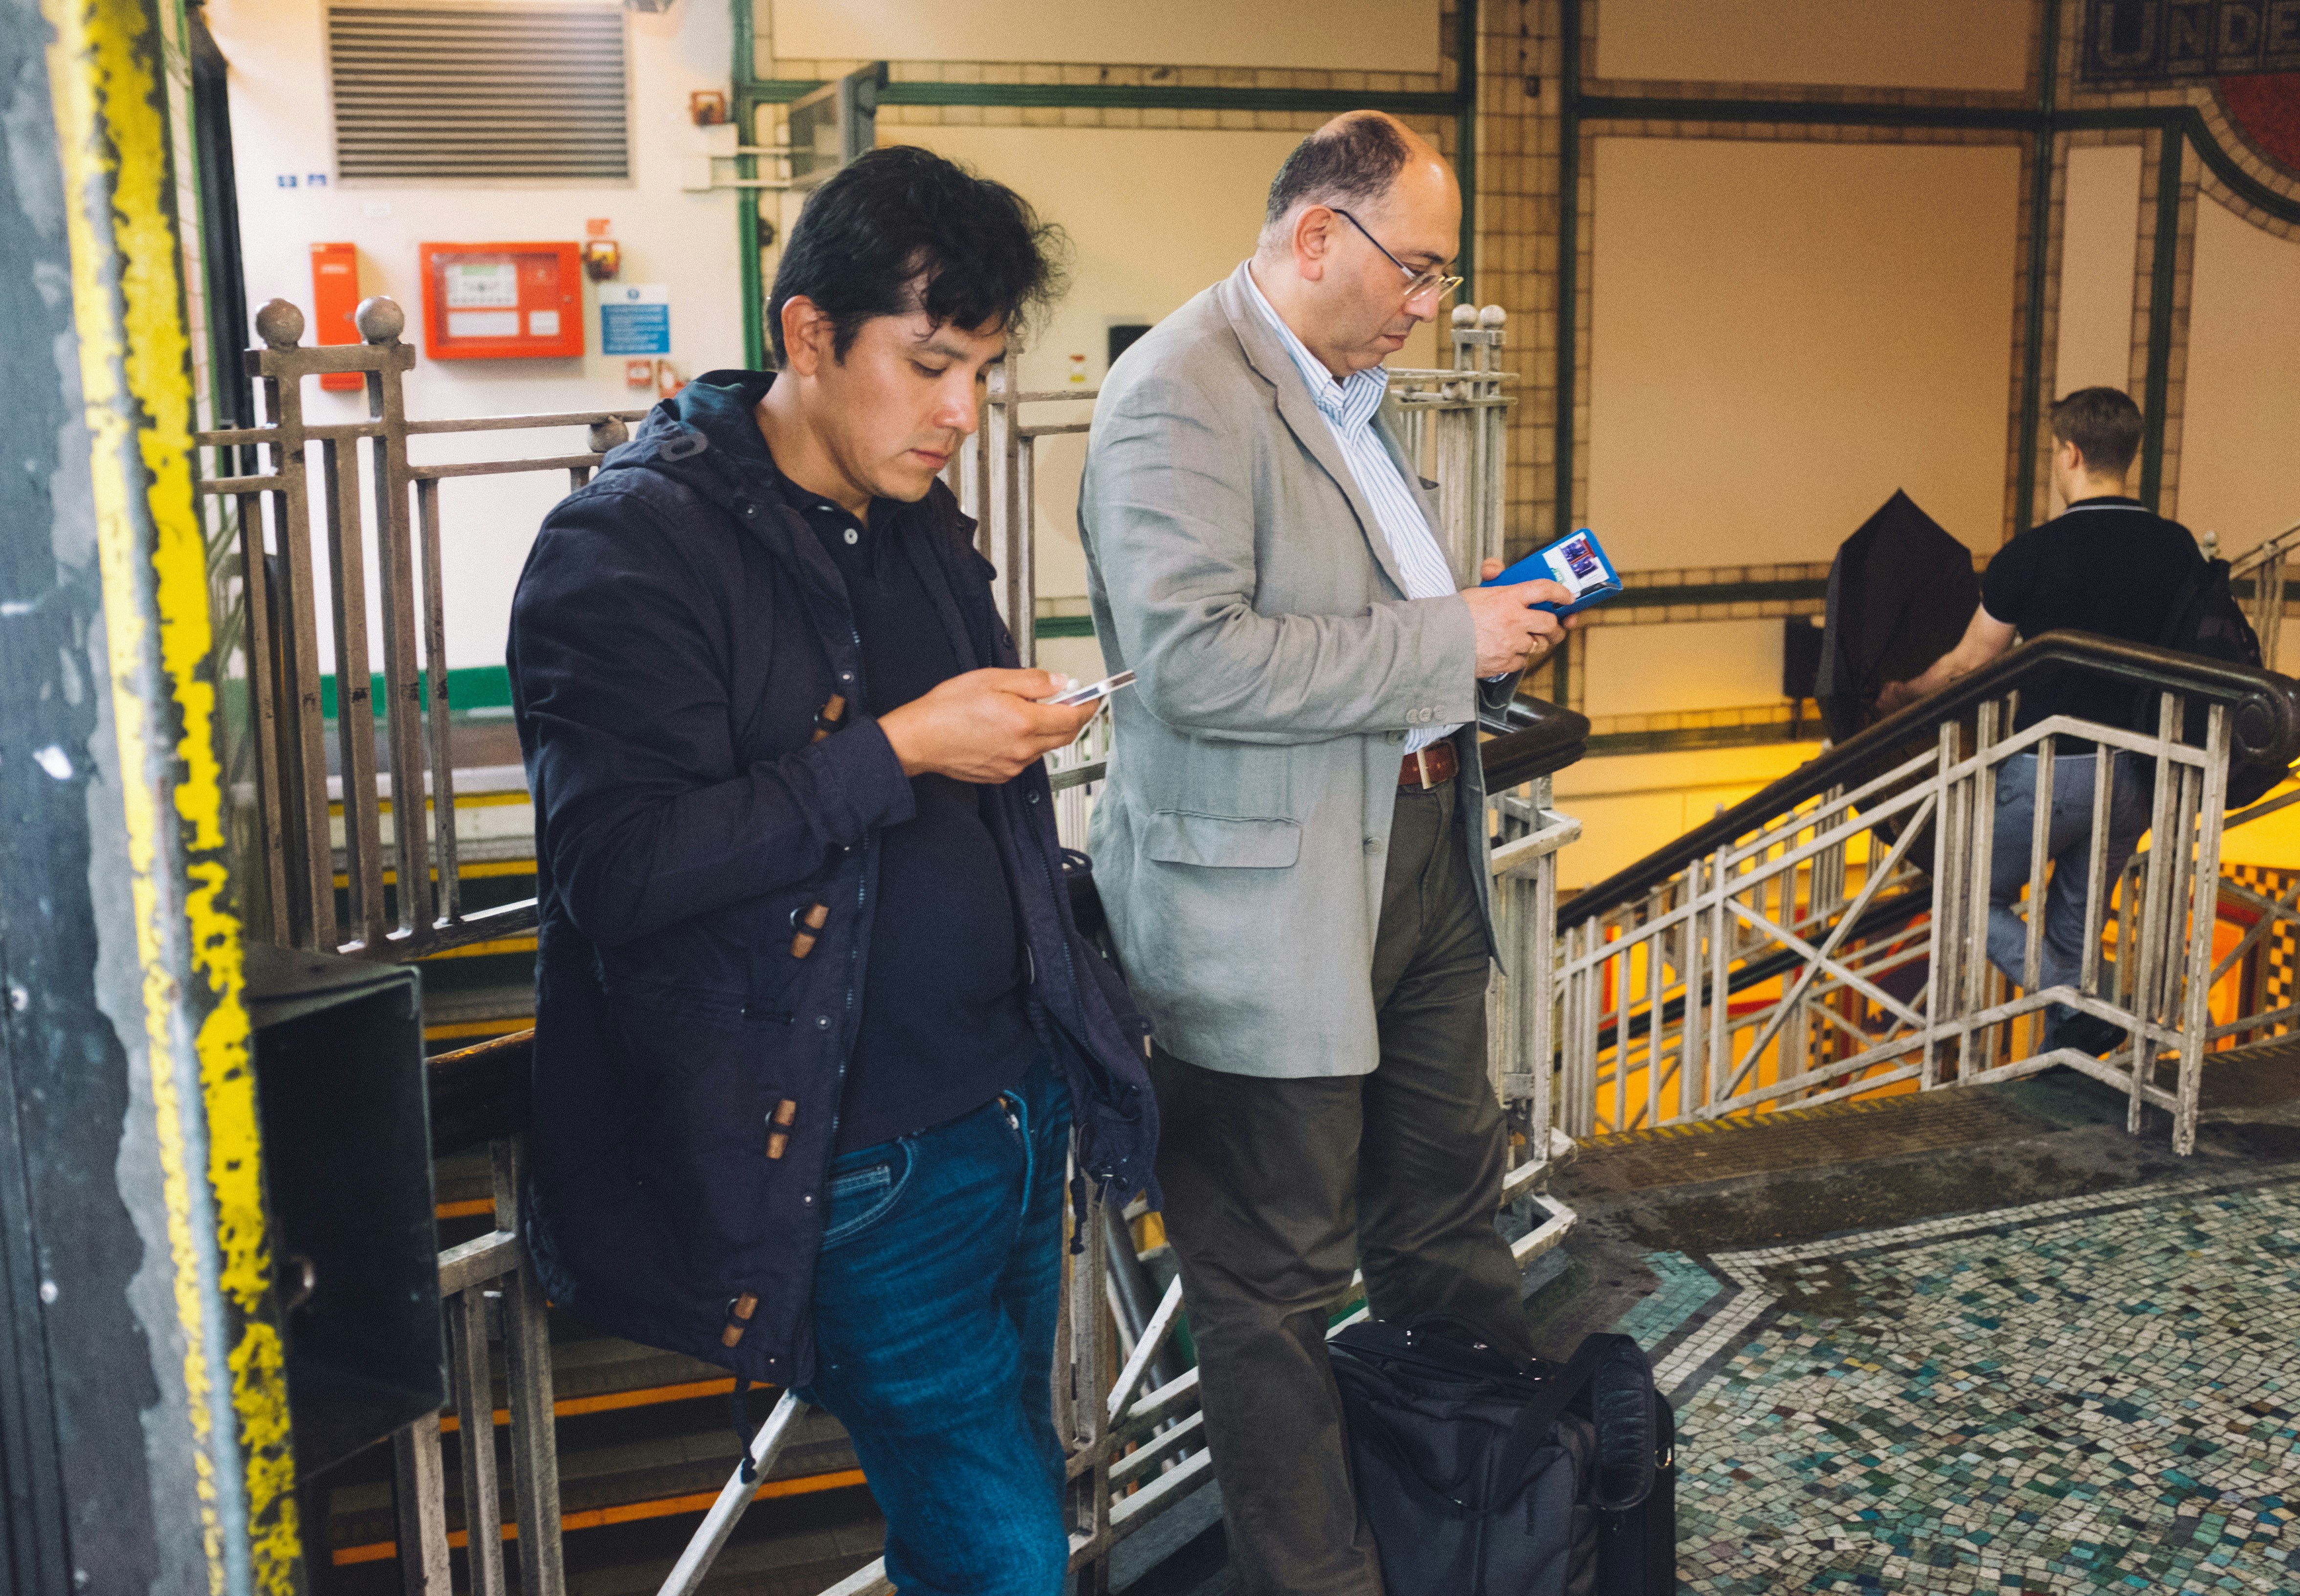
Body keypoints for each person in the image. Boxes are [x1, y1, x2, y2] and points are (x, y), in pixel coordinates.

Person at [507, 145, 1157, 1595]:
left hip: (1013, 1105)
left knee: (997, 1505)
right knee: (1007, 1556)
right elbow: (615, 869)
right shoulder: (629, 547)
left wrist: (998, 731)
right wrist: (909, 745)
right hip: (857, 1153)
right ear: (808, 333)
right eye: (928, 365)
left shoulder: (914, 518)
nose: (960, 412)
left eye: (981, 371)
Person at [1077, 111, 1581, 1594]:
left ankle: (1485, 1525)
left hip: (1415, 846)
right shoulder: (1177, 392)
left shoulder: (1347, 389)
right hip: (1263, 907)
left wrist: (1477, 633)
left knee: (1447, 1215)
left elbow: (1360, 618)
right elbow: (1194, 661)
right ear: (1317, 235)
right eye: (1417, 268)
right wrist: (1445, 639)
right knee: (1274, 1282)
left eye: (1439, 274)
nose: (1432, 302)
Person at [1877, 386, 2203, 1057]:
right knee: (2075, 929)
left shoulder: (2032, 552)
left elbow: (1970, 663)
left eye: (2056, 451)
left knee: (1964, 893)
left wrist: (1905, 694)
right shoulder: (2176, 548)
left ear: (2071, 453)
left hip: (2055, 767)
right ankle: (2070, 1059)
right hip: (2142, 768)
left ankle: (2090, 1002)